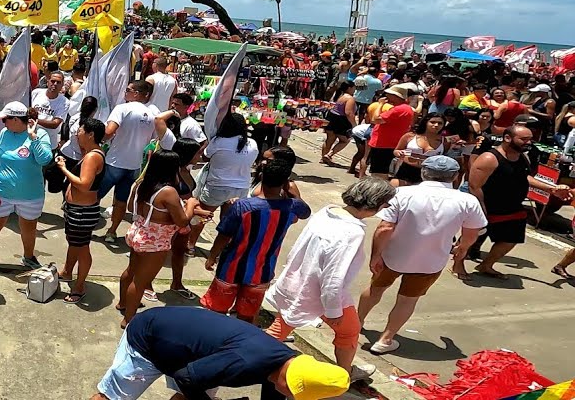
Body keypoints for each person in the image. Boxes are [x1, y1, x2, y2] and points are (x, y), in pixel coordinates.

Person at [266, 178, 396, 382]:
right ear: (376, 204)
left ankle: (254, 354)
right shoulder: (351, 232)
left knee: (284, 321)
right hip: (323, 293)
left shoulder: (328, 211)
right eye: (385, 203)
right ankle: (344, 374)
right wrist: (333, 310)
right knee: (349, 332)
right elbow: (334, 277)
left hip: (297, 281)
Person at [357, 155, 489, 354]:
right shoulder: (467, 200)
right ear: (454, 176)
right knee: (408, 300)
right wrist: (462, 249)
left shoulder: (400, 193)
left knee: (376, 288)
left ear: (423, 172)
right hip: (431, 261)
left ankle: (356, 324)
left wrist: (376, 255)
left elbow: (384, 228)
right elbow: (472, 232)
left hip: (394, 256)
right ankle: (385, 340)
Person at [91, 306, 350, 400]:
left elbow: (274, 393)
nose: (291, 397)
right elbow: (186, 379)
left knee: (190, 394)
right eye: (295, 393)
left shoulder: (285, 362)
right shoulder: (244, 362)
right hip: (148, 339)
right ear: (290, 381)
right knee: (112, 397)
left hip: (195, 355)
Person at [201, 151, 310, 324]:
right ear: (284, 183)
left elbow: (224, 235)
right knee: (247, 315)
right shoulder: (292, 206)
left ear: (261, 176)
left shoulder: (243, 206)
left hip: (231, 266)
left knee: (217, 310)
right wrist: (290, 191)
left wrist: (212, 256)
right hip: (262, 271)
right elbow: (305, 212)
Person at [464, 123, 571, 277]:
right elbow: (475, 186)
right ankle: (457, 266)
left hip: (512, 207)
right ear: (508, 138)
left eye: (530, 139)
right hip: (487, 207)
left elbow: (525, 177)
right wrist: (481, 210)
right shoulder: (489, 158)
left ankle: (486, 265)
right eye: (524, 139)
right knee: (468, 242)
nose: (529, 142)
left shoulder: (523, 157)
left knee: (511, 238)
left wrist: (550, 188)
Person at [118, 149, 191, 327]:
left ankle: (123, 303)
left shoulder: (141, 184)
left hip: (138, 233)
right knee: (141, 281)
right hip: (155, 242)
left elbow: (130, 207)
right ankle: (128, 319)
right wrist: (192, 205)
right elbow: (182, 221)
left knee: (131, 271)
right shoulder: (168, 192)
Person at [0, 101, 53, 273]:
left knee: (29, 227)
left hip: (31, 195)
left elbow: (45, 160)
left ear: (16, 119)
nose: (2, 123)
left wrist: (33, 138)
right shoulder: (5, 132)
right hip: (1, 191)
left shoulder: (40, 134)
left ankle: (28, 257)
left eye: (5, 119)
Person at [186, 111, 258, 252]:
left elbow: (205, 158)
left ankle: (190, 246)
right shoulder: (252, 143)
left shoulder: (219, 141)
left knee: (201, 217)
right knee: (229, 222)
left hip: (216, 187)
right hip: (240, 188)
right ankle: (220, 251)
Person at [101, 81, 161, 243]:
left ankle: (84, 225)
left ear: (136, 93)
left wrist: (98, 141)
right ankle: (112, 232)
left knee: (93, 195)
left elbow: (109, 131)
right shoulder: (152, 114)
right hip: (135, 166)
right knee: (121, 200)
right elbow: (155, 139)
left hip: (114, 162)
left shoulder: (122, 108)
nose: (124, 93)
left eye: (127, 90)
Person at [57, 117, 107, 304]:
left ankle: (79, 286)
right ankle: (67, 271)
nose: (77, 133)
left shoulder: (93, 156)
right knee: (74, 242)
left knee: (82, 248)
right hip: (77, 209)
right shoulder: (90, 153)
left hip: (82, 211)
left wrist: (63, 169)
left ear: (90, 134)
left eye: (80, 130)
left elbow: (84, 185)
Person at [362, 85, 415, 181]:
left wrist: (380, 104)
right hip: (388, 143)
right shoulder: (406, 108)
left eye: (389, 95)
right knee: (381, 171)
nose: (386, 96)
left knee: (378, 173)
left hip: (384, 145)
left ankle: (379, 192)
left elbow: (375, 119)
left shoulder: (399, 109)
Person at [391, 114, 445, 186]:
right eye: (432, 122)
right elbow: (396, 150)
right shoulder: (410, 136)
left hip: (429, 173)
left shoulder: (445, 141)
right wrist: (399, 153)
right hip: (406, 169)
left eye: (440, 123)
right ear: (426, 122)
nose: (436, 125)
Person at [320, 81, 357, 165]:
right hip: (341, 120)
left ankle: (323, 158)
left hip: (332, 117)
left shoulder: (341, 96)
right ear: (349, 88)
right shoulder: (350, 98)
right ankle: (329, 155)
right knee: (345, 140)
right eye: (354, 87)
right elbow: (349, 113)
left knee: (330, 139)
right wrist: (354, 124)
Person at [30, 71, 70, 147]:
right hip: (31, 138)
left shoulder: (64, 102)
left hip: (48, 143)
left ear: (62, 85)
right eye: (52, 81)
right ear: (48, 82)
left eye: (58, 82)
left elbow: (55, 124)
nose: (55, 84)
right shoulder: (36, 93)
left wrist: (35, 120)